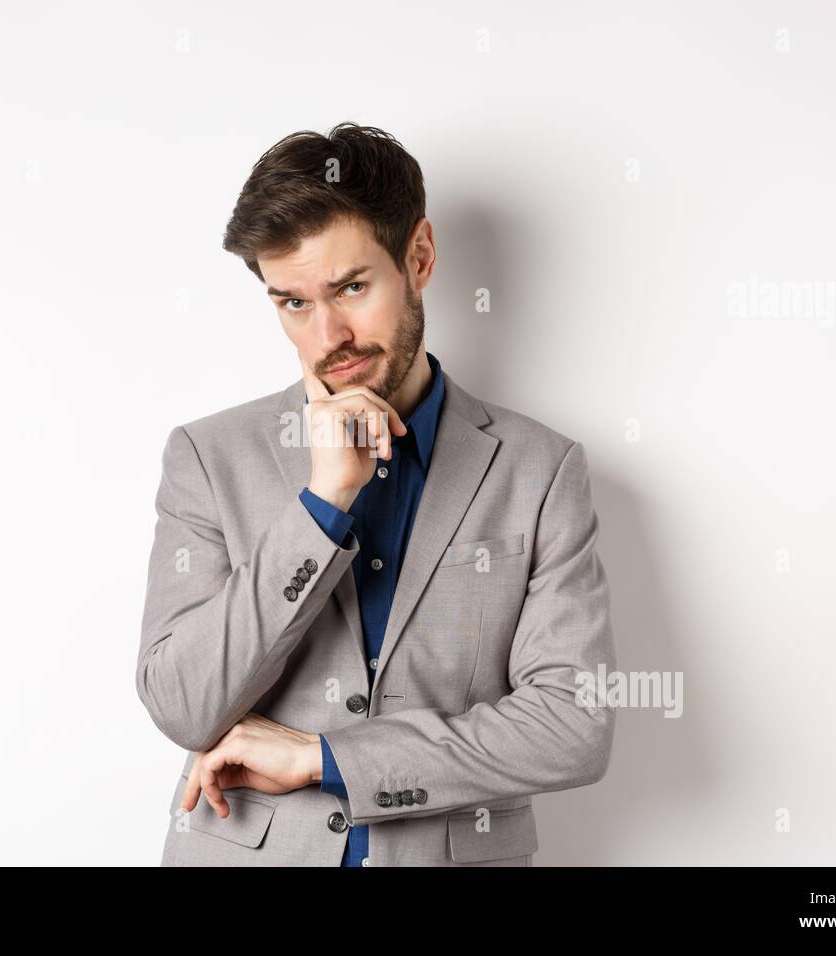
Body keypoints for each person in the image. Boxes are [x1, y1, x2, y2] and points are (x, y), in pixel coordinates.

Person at [137, 122, 617, 866]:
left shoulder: (540, 469)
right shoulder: (207, 457)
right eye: (291, 303)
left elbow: (572, 728)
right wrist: (321, 507)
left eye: (351, 288)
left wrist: (327, 758)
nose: (329, 334)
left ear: (418, 257)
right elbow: (182, 704)